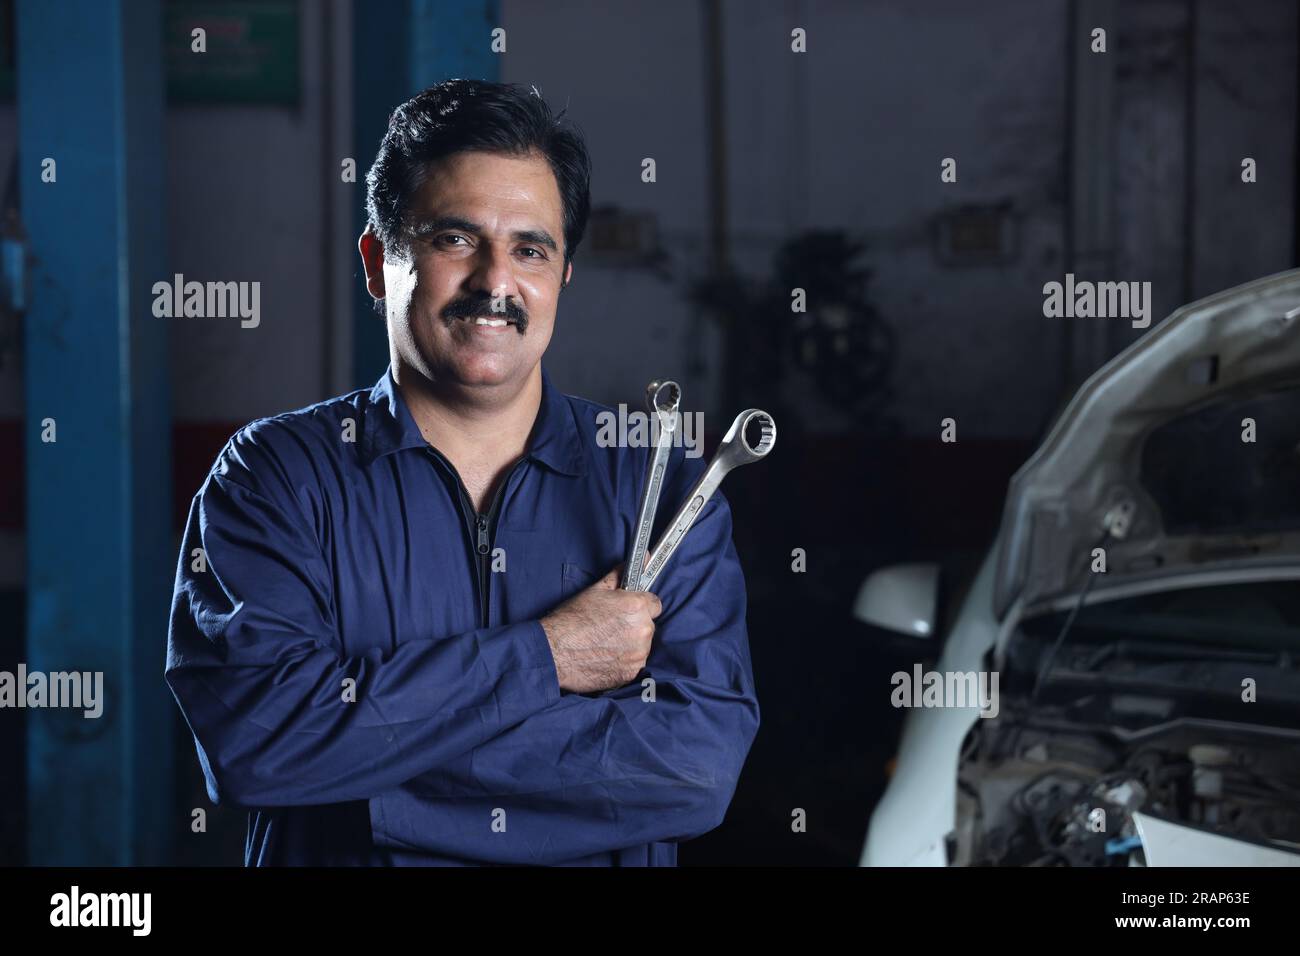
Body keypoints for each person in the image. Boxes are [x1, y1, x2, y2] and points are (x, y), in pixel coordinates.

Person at [165, 79, 760, 866]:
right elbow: (260, 742)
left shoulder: (660, 481)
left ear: (562, 279)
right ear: (379, 262)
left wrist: (369, 768)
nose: (495, 282)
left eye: (530, 249)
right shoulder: (274, 480)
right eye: (454, 239)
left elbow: (692, 769)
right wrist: (548, 657)